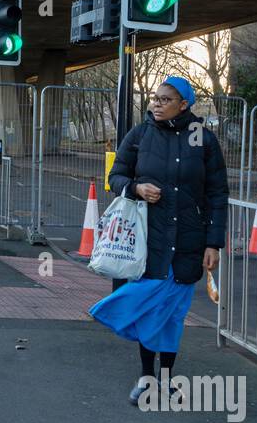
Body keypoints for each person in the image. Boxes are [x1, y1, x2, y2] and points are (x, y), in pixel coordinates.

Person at [92, 76, 229, 404]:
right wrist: (136, 188)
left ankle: (165, 380)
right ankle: (146, 376)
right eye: (155, 98)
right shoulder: (139, 135)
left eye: (165, 99)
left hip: (188, 239)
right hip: (148, 238)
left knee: (172, 312)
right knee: (149, 305)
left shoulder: (204, 140)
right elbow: (115, 178)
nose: (155, 103)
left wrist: (214, 243)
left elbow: (217, 193)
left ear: (184, 105)